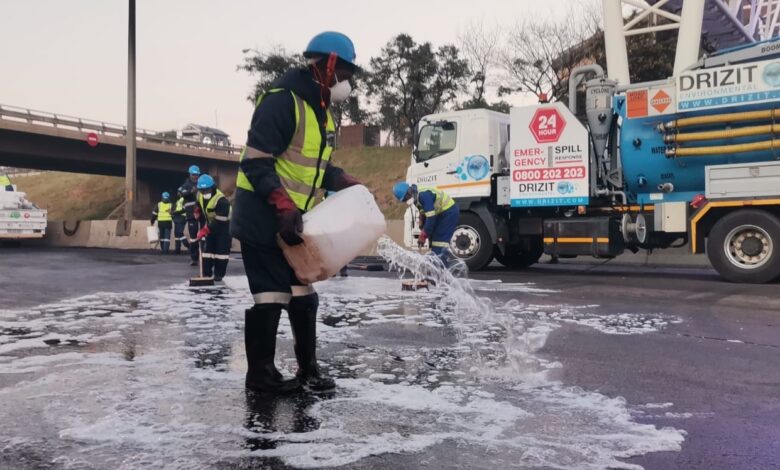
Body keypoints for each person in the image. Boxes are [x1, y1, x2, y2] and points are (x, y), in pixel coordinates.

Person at [231, 31, 361, 394]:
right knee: (272, 295)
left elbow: (314, 167)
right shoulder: (281, 101)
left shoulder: (320, 113)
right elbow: (257, 163)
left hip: (291, 221)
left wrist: (342, 179)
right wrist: (283, 205)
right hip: (262, 217)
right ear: (327, 66)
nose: (347, 84)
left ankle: (309, 371)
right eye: (345, 75)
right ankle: (261, 376)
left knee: (304, 295)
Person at [393, 182, 460, 267]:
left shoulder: (423, 195)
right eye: (404, 200)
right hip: (440, 214)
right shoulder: (416, 198)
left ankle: (441, 272)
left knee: (440, 242)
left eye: (406, 198)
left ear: (410, 192)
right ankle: (436, 270)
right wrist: (423, 228)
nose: (407, 201)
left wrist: (424, 235)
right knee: (435, 242)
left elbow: (431, 218)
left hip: (448, 213)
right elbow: (425, 214)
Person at [195, 174, 232, 281]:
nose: (203, 193)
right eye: (201, 190)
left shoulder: (221, 201)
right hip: (210, 226)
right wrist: (197, 210)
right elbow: (199, 203)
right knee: (207, 252)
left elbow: (220, 220)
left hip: (224, 228)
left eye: (206, 190)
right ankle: (206, 274)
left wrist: (205, 229)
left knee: (221, 253)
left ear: (212, 187)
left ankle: (218, 275)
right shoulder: (200, 194)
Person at [180, 165, 202, 266]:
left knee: (204, 236)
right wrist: (191, 192)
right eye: (193, 174)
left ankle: (205, 257)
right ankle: (194, 258)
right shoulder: (186, 185)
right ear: (190, 174)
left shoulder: (202, 183)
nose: (195, 176)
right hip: (191, 215)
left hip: (202, 214)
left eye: (197, 175)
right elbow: (181, 193)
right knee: (193, 237)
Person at [172, 187, 188, 255]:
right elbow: (175, 209)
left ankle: (187, 245)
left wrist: (174, 212)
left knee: (180, 233)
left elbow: (184, 210)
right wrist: (172, 212)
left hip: (182, 218)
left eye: (178, 192)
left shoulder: (185, 200)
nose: (177, 193)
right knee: (176, 234)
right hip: (177, 218)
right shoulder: (178, 201)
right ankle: (177, 249)